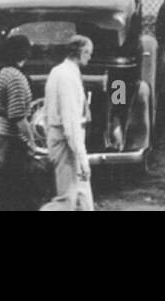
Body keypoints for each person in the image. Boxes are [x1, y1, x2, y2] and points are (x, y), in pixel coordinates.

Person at [0, 33, 40, 212]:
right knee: (18, 189)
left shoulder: (3, 73)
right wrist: (31, 142)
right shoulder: (16, 78)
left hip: (1, 135)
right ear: (24, 53)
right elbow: (18, 116)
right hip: (12, 140)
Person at [44, 34, 94, 211]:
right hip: (67, 142)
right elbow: (71, 122)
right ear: (81, 52)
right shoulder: (68, 77)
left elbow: (46, 110)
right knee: (67, 200)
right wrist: (82, 159)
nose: (90, 57)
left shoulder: (58, 71)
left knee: (82, 195)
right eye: (89, 52)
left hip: (60, 137)